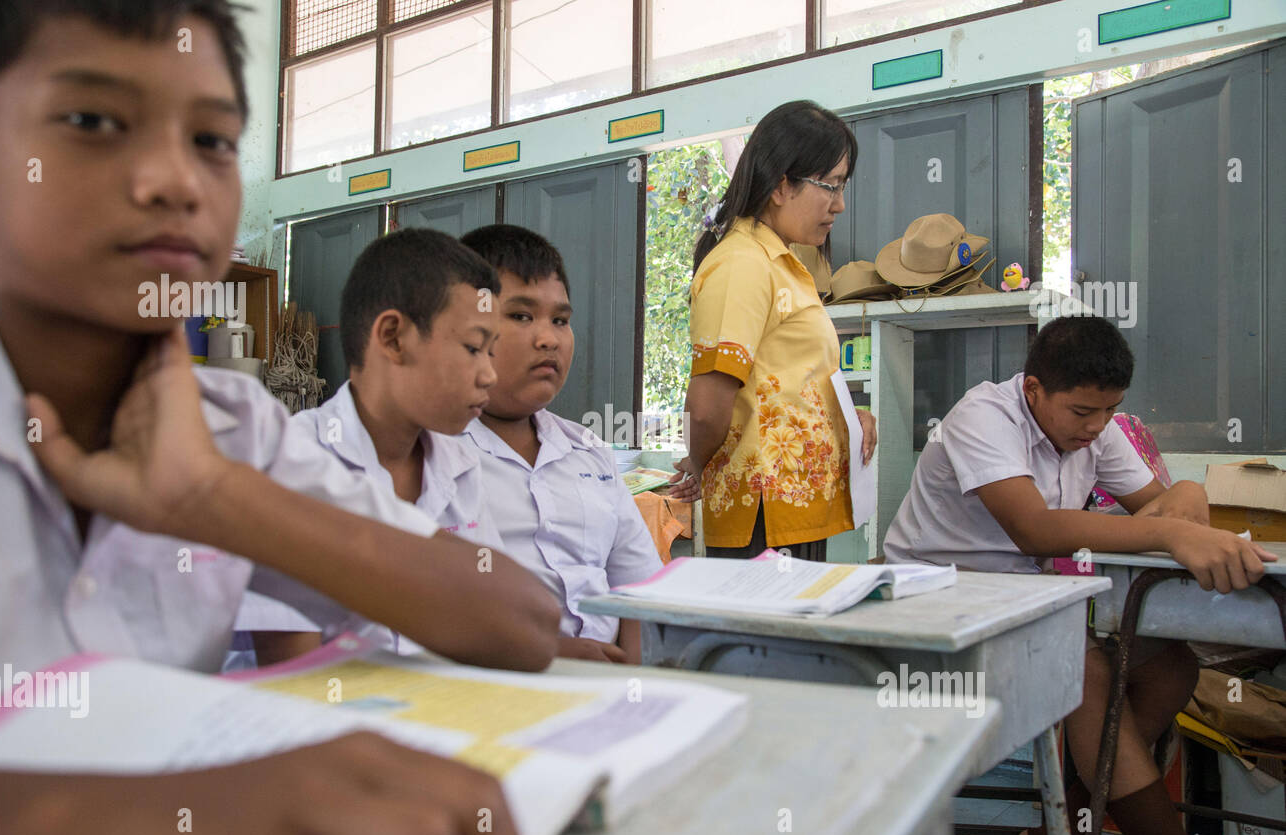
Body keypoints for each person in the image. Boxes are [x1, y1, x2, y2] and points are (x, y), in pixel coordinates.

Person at [0, 0, 557, 835]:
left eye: (213, 141)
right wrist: (135, 819)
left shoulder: (232, 427)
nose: (173, 181)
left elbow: (517, 620)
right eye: (93, 121)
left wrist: (215, 498)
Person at [884, 315, 1276, 835]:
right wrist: (1171, 529)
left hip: (1026, 597)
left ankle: (1060, 833)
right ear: (1034, 389)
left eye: (1111, 410)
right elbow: (1035, 531)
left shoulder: (1095, 427)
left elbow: (1154, 504)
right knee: (1085, 674)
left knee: (1171, 670)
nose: (1098, 426)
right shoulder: (983, 416)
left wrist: (1184, 496)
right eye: (1083, 412)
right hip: (937, 595)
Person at [234, 228, 510, 665]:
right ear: (393, 338)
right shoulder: (293, 461)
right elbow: (293, 675)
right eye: (474, 348)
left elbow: (491, 609)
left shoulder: (458, 465)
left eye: (491, 352)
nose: (489, 375)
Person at [459, 225, 683, 663]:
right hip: (492, 684)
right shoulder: (429, 454)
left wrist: (634, 685)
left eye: (560, 320)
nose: (549, 338)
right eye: (521, 316)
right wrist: (551, 655)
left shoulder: (588, 451)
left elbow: (639, 593)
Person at [680, 99, 876, 560]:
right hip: (764, 510)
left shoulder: (783, 264)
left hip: (793, 505)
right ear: (782, 185)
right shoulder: (742, 264)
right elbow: (707, 408)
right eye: (830, 186)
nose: (839, 204)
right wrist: (695, 464)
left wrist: (848, 421)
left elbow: (789, 382)